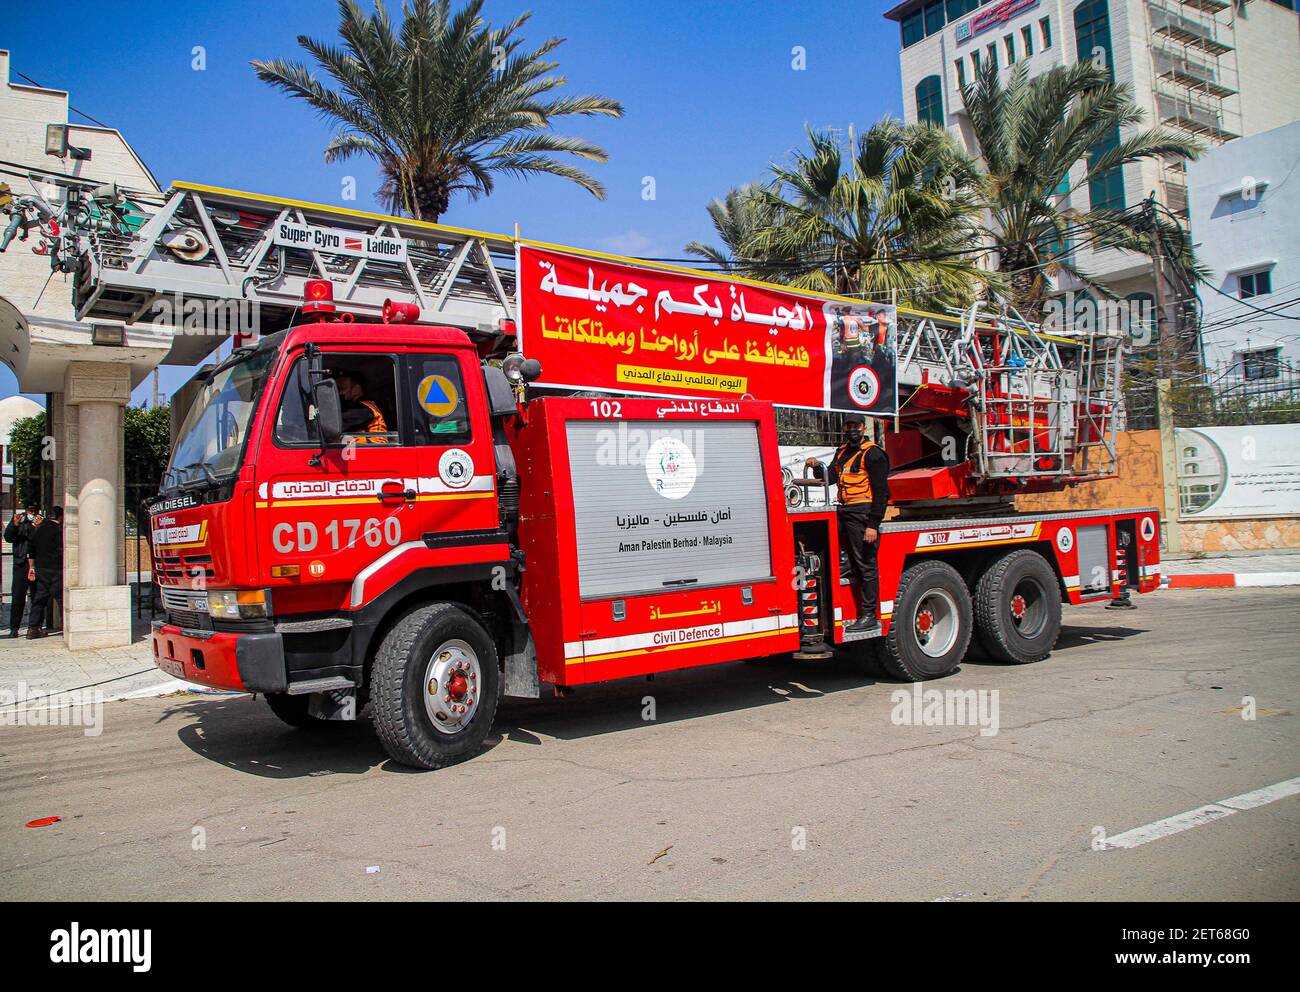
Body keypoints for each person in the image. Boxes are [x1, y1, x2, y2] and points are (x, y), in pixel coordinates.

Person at [807, 415, 891, 634]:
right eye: (848, 426)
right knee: (822, 537)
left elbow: (882, 493)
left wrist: (873, 525)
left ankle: (869, 616)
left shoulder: (873, 454)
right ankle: (843, 567)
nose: (851, 429)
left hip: (863, 513)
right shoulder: (843, 452)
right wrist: (817, 467)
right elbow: (831, 477)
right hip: (844, 510)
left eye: (855, 426)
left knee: (865, 563)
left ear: (863, 428)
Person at [24, 507, 63, 640]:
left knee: (39, 600)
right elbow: (62, 550)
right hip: (56, 570)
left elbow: (31, 550)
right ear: (60, 517)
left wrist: (32, 568)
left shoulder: (38, 529)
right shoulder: (59, 530)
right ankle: (67, 627)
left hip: (41, 570)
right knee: (62, 599)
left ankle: (33, 628)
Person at [4, 502, 37, 637]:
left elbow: (38, 539)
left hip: (35, 563)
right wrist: (15, 525)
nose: (31, 513)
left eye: (33, 510)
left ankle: (34, 627)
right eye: (29, 510)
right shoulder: (19, 521)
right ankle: (14, 628)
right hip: (20, 563)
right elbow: (8, 537)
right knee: (17, 597)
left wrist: (36, 526)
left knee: (37, 597)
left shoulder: (38, 521)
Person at [333, 370, 388, 444]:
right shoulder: (357, 406)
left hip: (374, 451)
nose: (339, 393)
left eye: (342, 389)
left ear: (356, 389)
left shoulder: (364, 408)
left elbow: (337, 425)